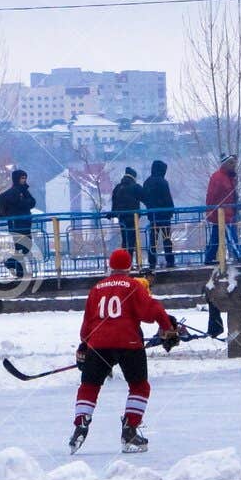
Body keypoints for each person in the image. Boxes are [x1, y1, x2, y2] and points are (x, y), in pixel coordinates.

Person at [70, 249, 178, 455]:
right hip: (129, 343)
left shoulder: (97, 288)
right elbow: (150, 311)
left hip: (98, 344)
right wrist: (167, 327)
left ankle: (80, 426)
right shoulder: (133, 285)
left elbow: (87, 324)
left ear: (110, 266)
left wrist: (84, 345)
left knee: (89, 386)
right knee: (139, 386)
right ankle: (130, 430)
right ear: (129, 267)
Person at [0, 169, 36, 278]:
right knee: (20, 247)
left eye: (25, 178)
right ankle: (17, 269)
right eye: (22, 178)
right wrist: (24, 203)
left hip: (25, 224)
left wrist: (24, 203)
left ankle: (14, 266)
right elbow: (22, 203)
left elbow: (32, 202)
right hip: (16, 224)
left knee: (25, 247)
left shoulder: (24, 190)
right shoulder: (13, 192)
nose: (24, 180)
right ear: (17, 178)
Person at [203, 154, 241, 267]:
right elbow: (213, 195)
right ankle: (238, 255)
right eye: (231, 163)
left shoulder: (227, 177)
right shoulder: (219, 178)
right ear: (225, 164)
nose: (233, 165)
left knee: (216, 237)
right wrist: (211, 210)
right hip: (223, 212)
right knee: (231, 236)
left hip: (226, 212)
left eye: (234, 163)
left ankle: (209, 257)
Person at [141, 160, 176, 270]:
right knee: (167, 239)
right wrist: (171, 210)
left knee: (153, 240)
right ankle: (169, 261)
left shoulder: (147, 182)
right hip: (164, 216)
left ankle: (152, 262)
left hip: (153, 216)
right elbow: (167, 198)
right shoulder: (163, 182)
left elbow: (144, 198)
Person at [109, 167, 146, 255]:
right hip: (133, 218)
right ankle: (129, 261)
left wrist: (113, 214)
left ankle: (125, 262)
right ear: (134, 177)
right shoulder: (135, 187)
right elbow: (146, 198)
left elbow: (114, 203)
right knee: (132, 240)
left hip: (122, 218)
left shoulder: (118, 187)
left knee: (125, 240)